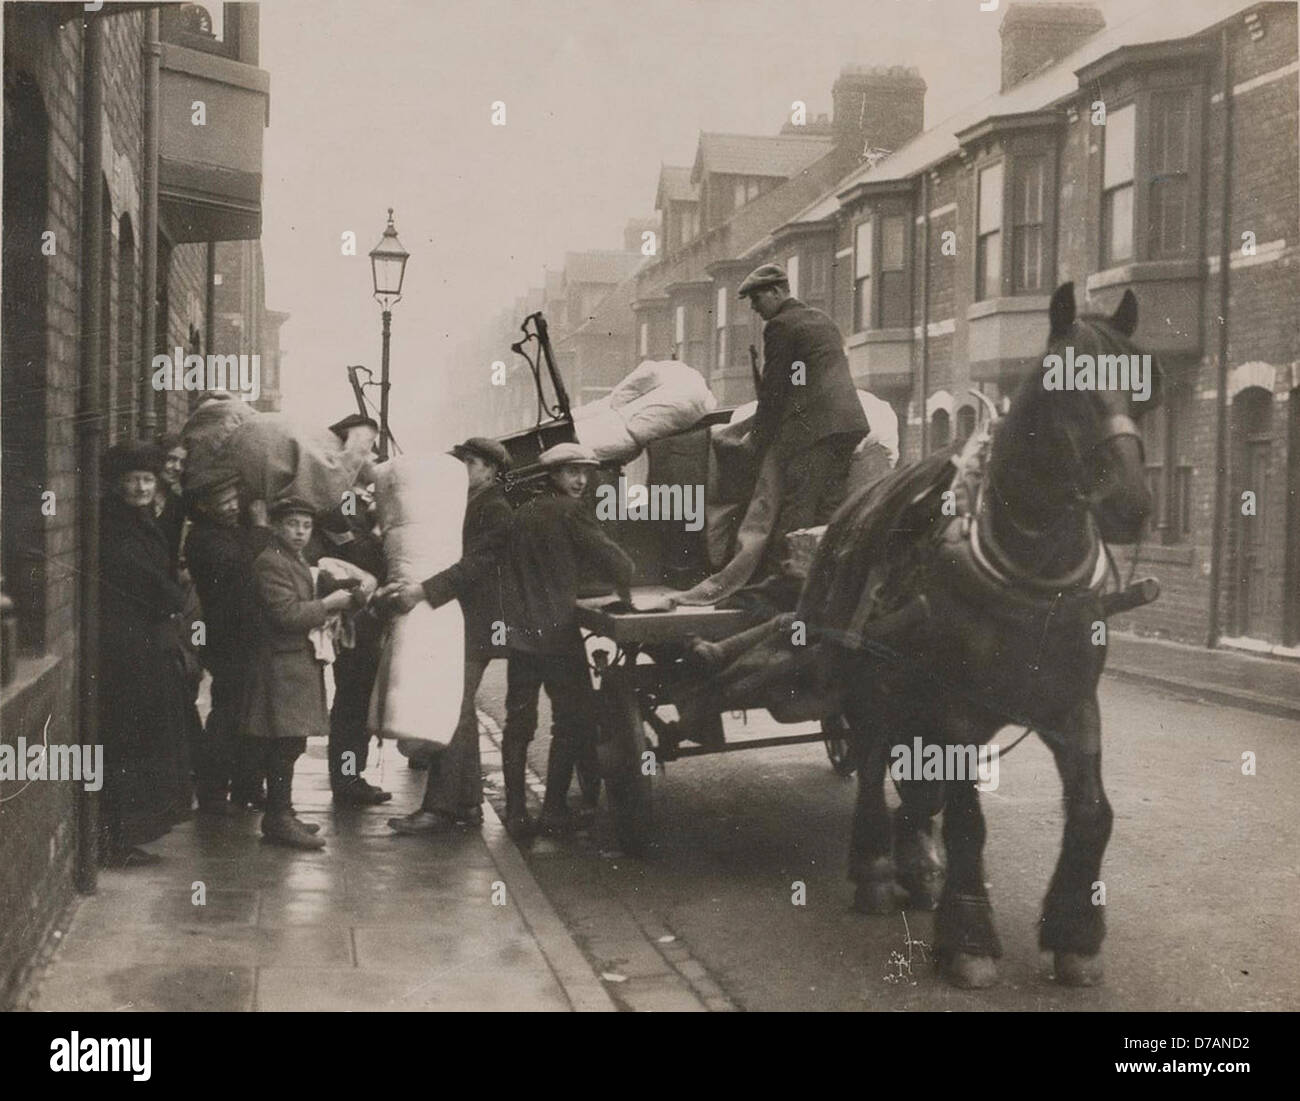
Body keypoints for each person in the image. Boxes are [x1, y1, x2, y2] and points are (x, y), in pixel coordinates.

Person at [499, 442, 635, 839]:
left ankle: (515, 812)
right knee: (571, 721)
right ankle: (554, 809)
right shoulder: (573, 511)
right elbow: (615, 561)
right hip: (558, 636)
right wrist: (624, 584)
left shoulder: (520, 514)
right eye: (571, 471)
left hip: (522, 637)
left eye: (584, 471)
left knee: (518, 725)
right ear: (553, 476)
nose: (580, 479)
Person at [381, 437, 514, 834]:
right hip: (457, 620)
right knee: (460, 713)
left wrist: (422, 591)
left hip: (474, 623)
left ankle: (439, 809)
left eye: (471, 462)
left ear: (491, 470)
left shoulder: (495, 510)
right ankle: (468, 804)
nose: (463, 468)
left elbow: (474, 566)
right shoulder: (464, 503)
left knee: (451, 710)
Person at [243, 497, 362, 849]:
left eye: (306, 525)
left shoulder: (293, 559)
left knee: (291, 741)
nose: (300, 532)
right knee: (283, 742)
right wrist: (329, 605)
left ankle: (284, 811)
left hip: (293, 663)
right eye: (293, 524)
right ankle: (277, 818)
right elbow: (287, 615)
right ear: (277, 526)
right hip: (281, 663)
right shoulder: (270, 562)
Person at [738, 263, 870, 574]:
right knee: (830, 509)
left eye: (757, 299)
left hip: (814, 431)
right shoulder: (821, 319)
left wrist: (756, 442)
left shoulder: (781, 325)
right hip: (848, 425)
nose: (755, 309)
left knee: (798, 507)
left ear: (776, 292)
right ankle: (826, 580)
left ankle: (780, 583)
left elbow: (774, 390)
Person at [97, 442, 194, 867]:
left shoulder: (140, 520)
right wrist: (174, 595)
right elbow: (141, 578)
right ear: (119, 482)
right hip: (125, 646)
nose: (140, 487)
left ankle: (129, 830)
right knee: (127, 738)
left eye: (148, 480)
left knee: (144, 735)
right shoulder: (116, 524)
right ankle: (116, 837)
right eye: (133, 479)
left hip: (144, 641)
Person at [184, 469, 271, 813]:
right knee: (228, 715)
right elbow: (239, 562)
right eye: (225, 502)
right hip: (228, 639)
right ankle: (214, 792)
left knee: (248, 712)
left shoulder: (225, 531)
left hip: (244, 636)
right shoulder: (205, 539)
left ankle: (247, 785)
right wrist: (262, 526)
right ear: (204, 507)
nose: (234, 507)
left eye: (235, 499)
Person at [309, 486, 391, 806]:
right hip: (358, 626)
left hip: (365, 623)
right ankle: (347, 780)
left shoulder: (356, 499)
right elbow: (350, 544)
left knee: (354, 705)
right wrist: (374, 533)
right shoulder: (341, 498)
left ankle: (350, 777)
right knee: (352, 707)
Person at [153, 434, 188, 575]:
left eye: (182, 462)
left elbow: (173, 553)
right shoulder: (140, 496)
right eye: (172, 459)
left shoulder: (177, 504)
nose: (178, 467)